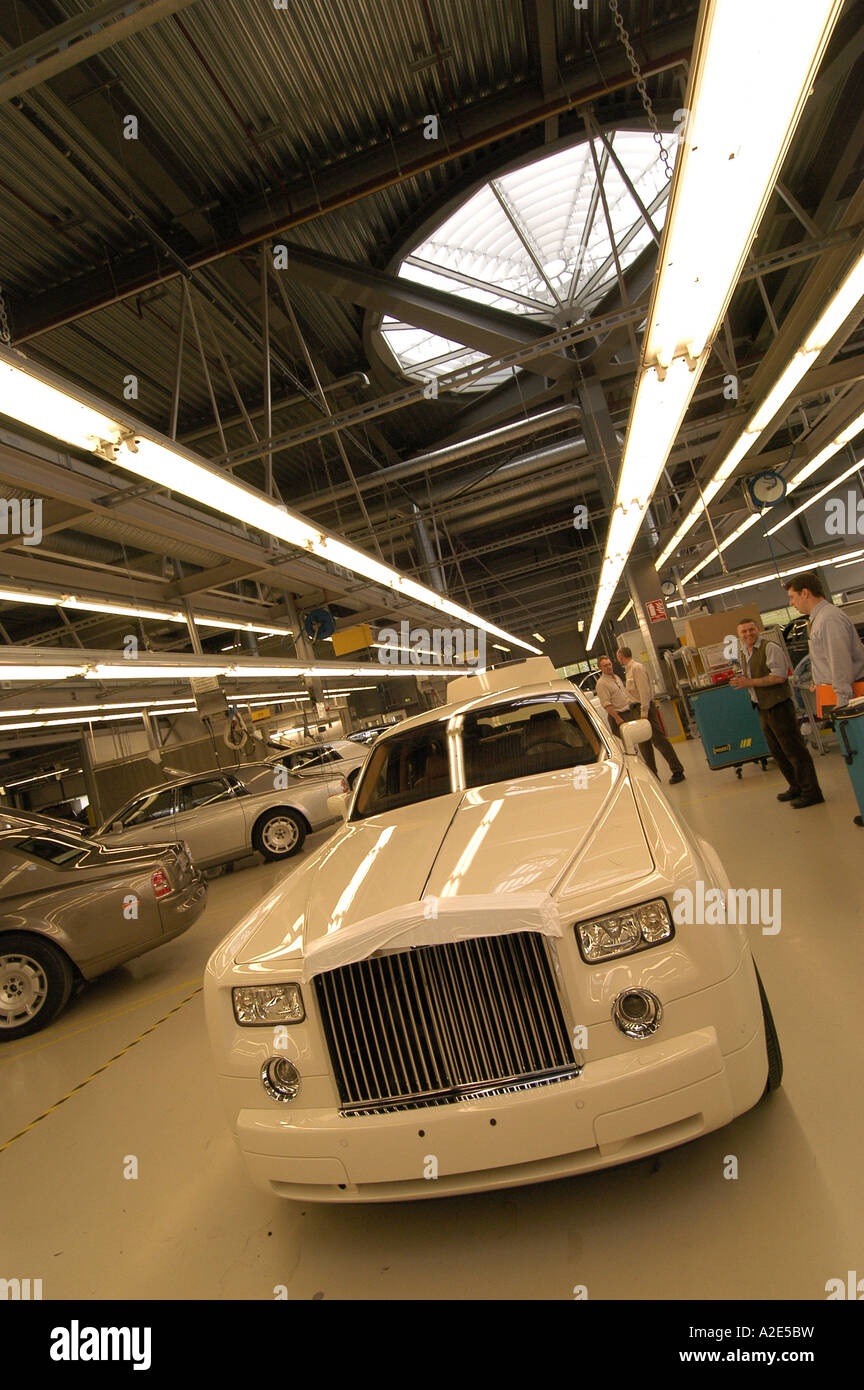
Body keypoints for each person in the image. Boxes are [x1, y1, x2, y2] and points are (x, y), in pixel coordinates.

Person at [730, 619, 823, 809]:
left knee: (794, 750)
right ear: (739, 635)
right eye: (744, 632)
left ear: (758, 630)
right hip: (762, 707)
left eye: (751, 630)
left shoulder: (769, 648)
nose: (748, 634)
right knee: (778, 752)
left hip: (779, 706)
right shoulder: (744, 652)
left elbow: (779, 676)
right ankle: (796, 787)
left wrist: (749, 682)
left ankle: (811, 792)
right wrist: (742, 681)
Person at [785, 571, 864, 711]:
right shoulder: (819, 619)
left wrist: (843, 701)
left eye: (792, 597)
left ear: (804, 593)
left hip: (849, 698)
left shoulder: (828, 619)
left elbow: (840, 661)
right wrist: (818, 680)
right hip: (832, 694)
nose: (791, 603)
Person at [616, 646, 685, 784]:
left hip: (644, 710)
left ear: (622, 657)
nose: (618, 660)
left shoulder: (637, 668)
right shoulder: (628, 670)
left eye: (618, 657)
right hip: (635, 710)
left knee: (659, 741)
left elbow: (644, 691)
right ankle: (653, 776)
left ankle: (677, 770)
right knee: (643, 744)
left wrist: (644, 713)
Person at [594, 655, 630, 738]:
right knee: (625, 743)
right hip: (618, 717)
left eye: (609, 664)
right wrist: (617, 718)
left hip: (627, 713)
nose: (609, 667)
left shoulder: (616, 677)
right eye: (605, 666)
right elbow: (606, 704)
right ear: (600, 668)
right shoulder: (601, 684)